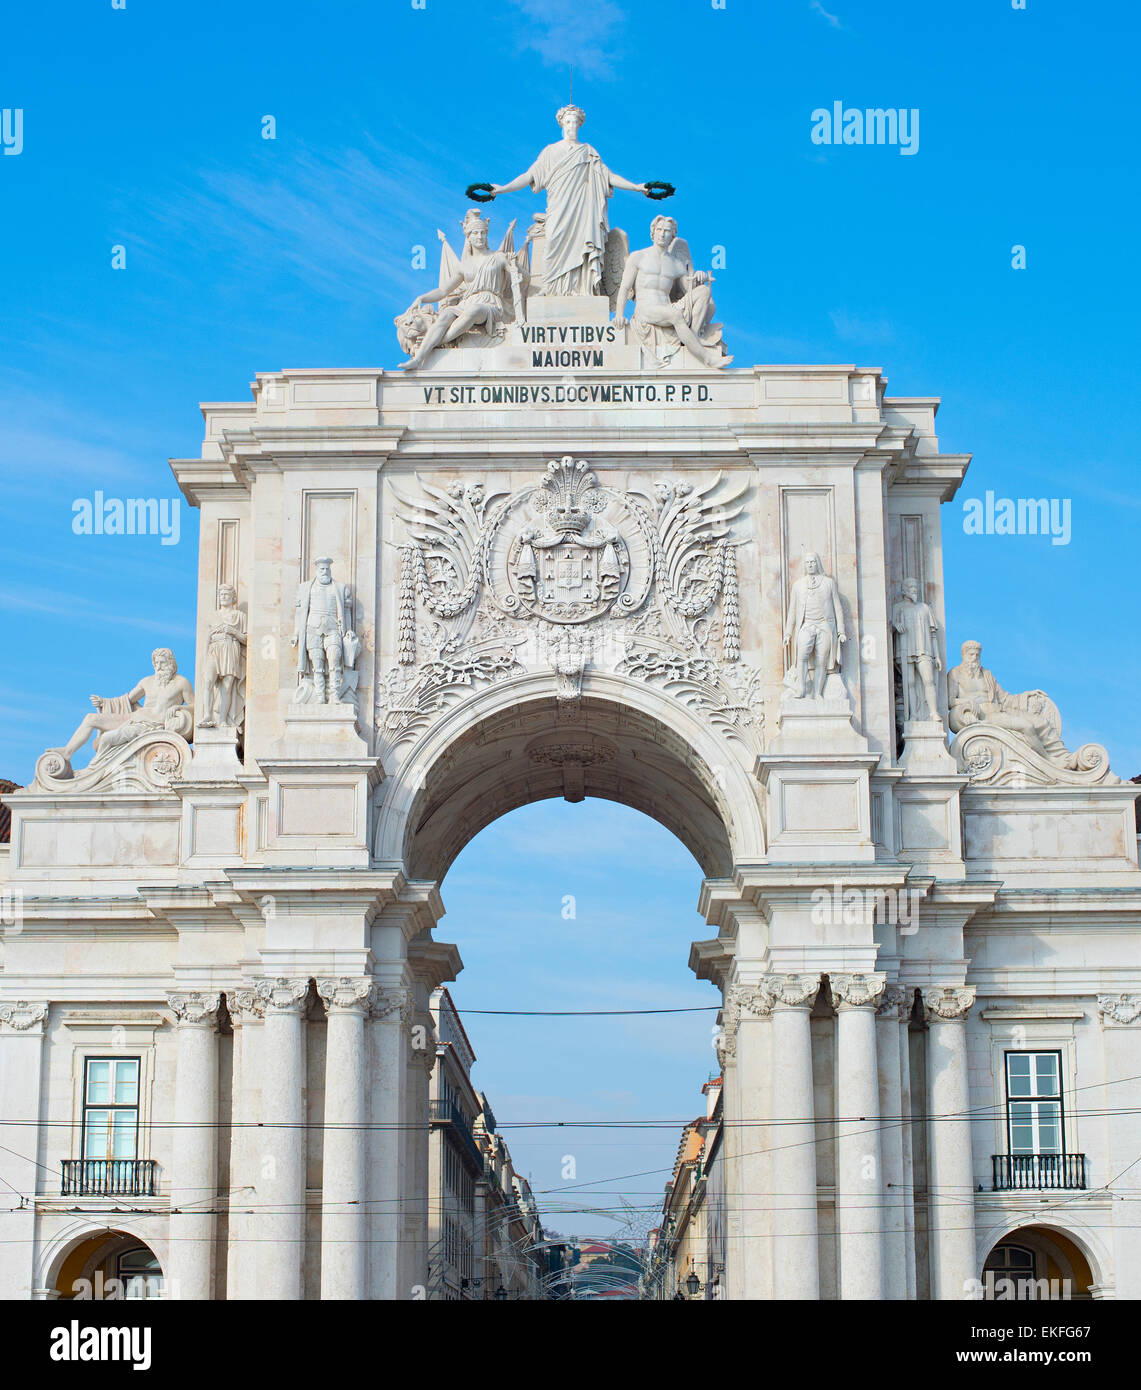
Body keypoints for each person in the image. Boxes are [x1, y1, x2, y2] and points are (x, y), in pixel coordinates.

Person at [490, 105, 647, 296]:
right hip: (558, 207)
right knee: (553, 244)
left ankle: (581, 289)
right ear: (562, 124)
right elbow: (529, 175)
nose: (572, 126)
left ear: (580, 125)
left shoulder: (588, 151)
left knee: (581, 246)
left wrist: (636, 187)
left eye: (575, 122)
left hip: (582, 210)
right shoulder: (550, 151)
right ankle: (550, 288)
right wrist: (503, 189)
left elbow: (609, 177)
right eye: (568, 121)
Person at [398, 211, 515, 370]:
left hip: (490, 304)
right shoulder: (464, 266)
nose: (479, 236)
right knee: (446, 314)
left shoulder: (499, 257)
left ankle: (435, 343)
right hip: (468, 302)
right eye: (475, 233)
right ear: (469, 237)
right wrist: (422, 298)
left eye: (483, 233)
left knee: (474, 310)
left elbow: (521, 277)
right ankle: (419, 359)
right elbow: (443, 290)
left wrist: (517, 268)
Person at [614, 215, 731, 368]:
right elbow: (624, 288)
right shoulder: (639, 257)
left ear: (673, 235)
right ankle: (707, 359)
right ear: (653, 232)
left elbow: (688, 291)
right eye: (659, 230)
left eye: (667, 231)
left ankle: (693, 336)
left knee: (702, 291)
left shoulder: (676, 264)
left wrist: (698, 278)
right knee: (675, 315)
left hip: (668, 308)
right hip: (646, 309)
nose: (662, 234)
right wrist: (619, 315)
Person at [60, 648, 194, 762]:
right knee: (90, 718)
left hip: (152, 725)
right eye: (156, 663)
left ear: (170, 663)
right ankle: (67, 752)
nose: (158, 667)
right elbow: (127, 700)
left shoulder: (181, 683)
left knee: (107, 739)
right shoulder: (146, 682)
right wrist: (104, 702)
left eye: (162, 663)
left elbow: (195, 706)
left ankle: (95, 768)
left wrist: (179, 707)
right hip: (134, 718)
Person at [783, 553, 846, 699]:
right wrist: (788, 633)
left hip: (824, 625)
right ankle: (801, 689)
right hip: (806, 625)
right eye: (807, 562)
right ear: (805, 565)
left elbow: (838, 608)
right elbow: (792, 610)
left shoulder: (828, 583)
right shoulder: (798, 585)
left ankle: (818, 692)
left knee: (821, 660)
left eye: (812, 562)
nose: (810, 565)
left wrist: (841, 631)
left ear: (817, 563)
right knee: (801, 656)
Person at [198, 584, 247, 729]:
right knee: (208, 682)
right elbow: (206, 637)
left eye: (226, 594)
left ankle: (223, 720)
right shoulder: (213, 615)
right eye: (221, 594)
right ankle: (207, 714)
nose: (223, 597)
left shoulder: (240, 616)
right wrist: (205, 656)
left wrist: (232, 631)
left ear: (233, 598)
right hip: (214, 648)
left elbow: (246, 639)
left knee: (227, 686)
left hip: (231, 647)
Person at [892, 578, 941, 721]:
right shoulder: (898, 607)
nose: (914, 589)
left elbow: (933, 634)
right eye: (910, 586)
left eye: (915, 586)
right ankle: (913, 714)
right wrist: (896, 625)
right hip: (905, 648)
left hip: (924, 648)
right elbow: (891, 626)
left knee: (928, 680)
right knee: (910, 683)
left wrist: (936, 656)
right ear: (904, 590)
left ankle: (933, 712)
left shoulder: (925, 608)